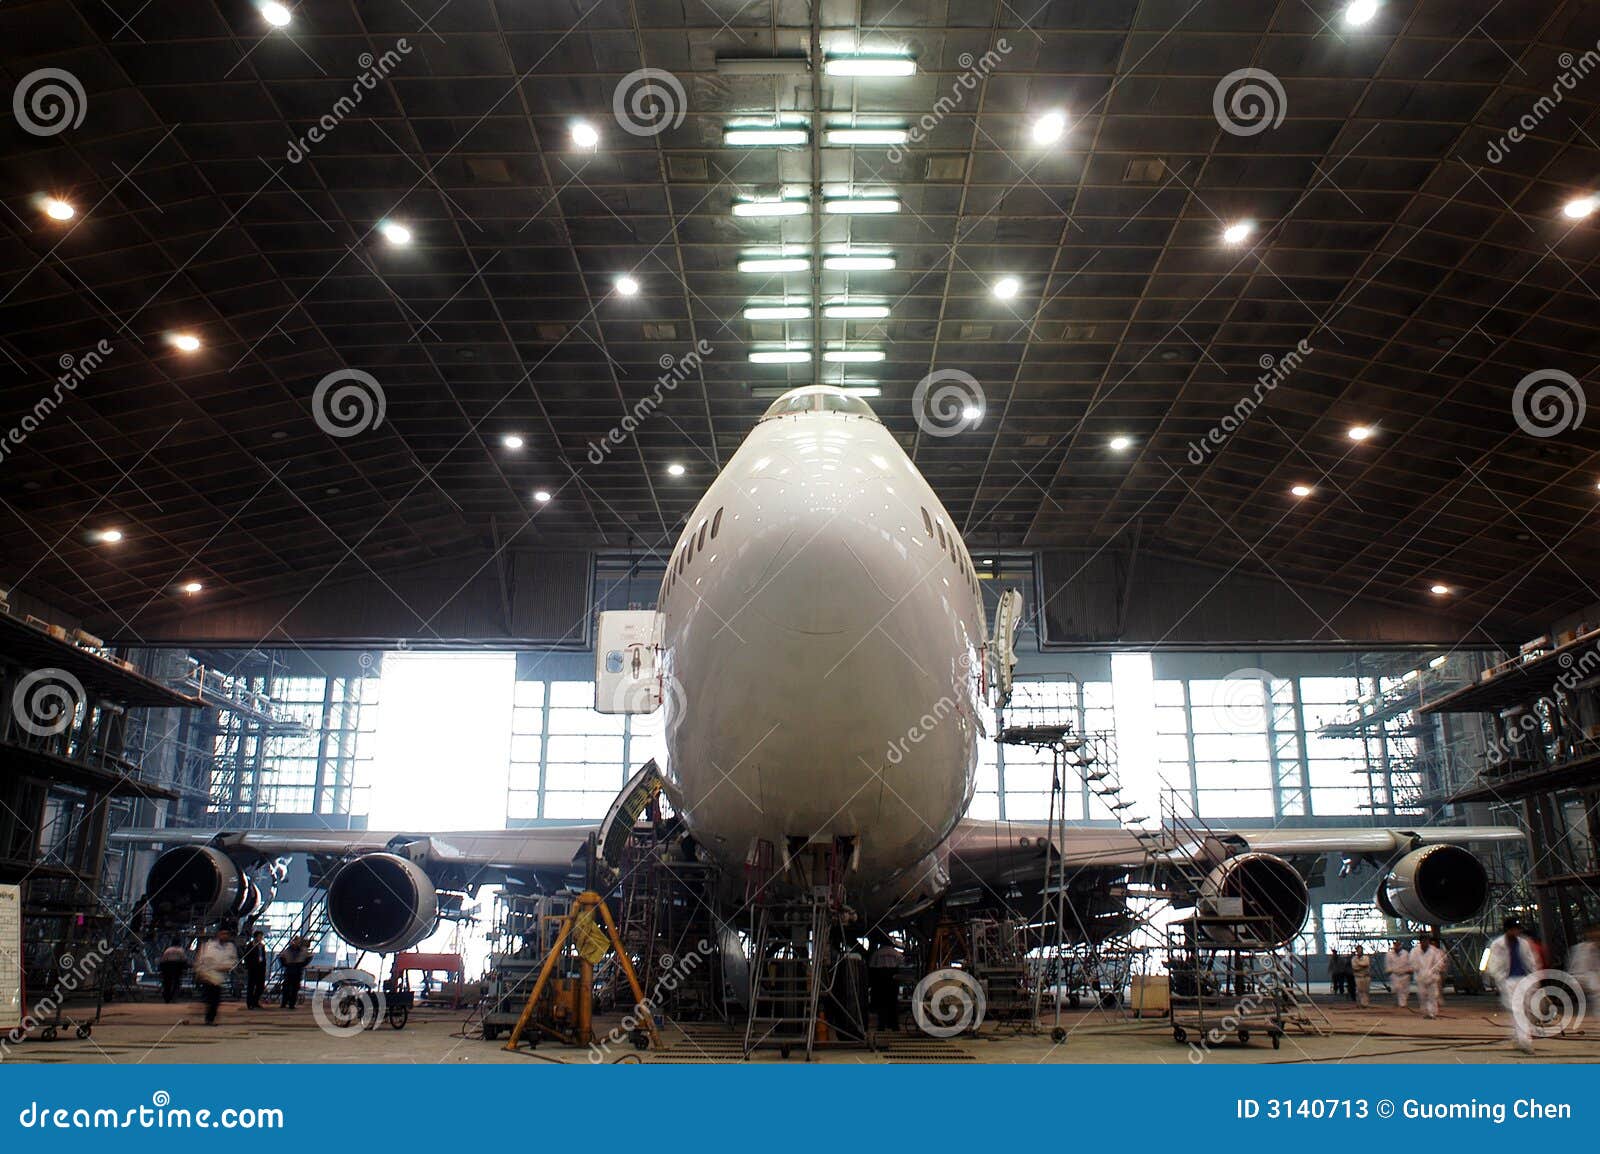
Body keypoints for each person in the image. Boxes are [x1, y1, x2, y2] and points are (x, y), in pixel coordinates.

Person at [1486, 917, 1542, 1053]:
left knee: (1526, 1011)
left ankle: (1518, 1038)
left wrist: (1535, 978)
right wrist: (1500, 980)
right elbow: (1493, 965)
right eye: (1514, 929)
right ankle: (1525, 1042)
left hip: (1524, 979)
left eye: (1518, 929)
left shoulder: (1524, 943)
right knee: (1518, 1011)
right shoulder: (1497, 944)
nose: (1516, 931)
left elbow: (1531, 961)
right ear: (1507, 930)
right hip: (1509, 981)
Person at [193, 926, 239, 1026]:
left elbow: (233, 961)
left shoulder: (230, 947)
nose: (225, 936)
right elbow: (201, 960)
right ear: (218, 935)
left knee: (215, 1000)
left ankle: (210, 1018)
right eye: (223, 933)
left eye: (226, 934)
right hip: (207, 976)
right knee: (211, 999)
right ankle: (209, 1018)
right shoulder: (208, 946)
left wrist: (226, 966)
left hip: (219, 978)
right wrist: (200, 972)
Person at [868, 936, 904, 1032]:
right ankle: (894, 1026)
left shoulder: (876, 954)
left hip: (880, 980)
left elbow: (871, 967)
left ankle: (881, 1026)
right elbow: (902, 966)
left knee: (882, 1003)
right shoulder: (896, 954)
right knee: (893, 1003)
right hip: (892, 980)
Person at [1411, 936, 1448, 1021]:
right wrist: (1420, 971)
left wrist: (1432, 971)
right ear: (1420, 942)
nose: (1425, 943)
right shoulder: (1414, 951)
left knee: (1433, 996)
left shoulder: (1435, 951)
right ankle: (1425, 1013)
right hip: (1420, 978)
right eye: (1423, 941)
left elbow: (1440, 963)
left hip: (1432, 978)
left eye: (1426, 941)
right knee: (1422, 996)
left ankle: (1432, 1013)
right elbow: (1412, 963)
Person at [278, 936, 313, 1009]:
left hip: (297, 970)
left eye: (298, 941)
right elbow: (281, 957)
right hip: (289, 970)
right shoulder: (288, 950)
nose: (296, 943)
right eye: (295, 941)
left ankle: (291, 1004)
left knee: (295, 988)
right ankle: (284, 1003)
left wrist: (302, 964)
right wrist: (285, 964)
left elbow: (309, 957)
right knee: (286, 988)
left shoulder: (302, 950)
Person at [241, 930, 268, 1010]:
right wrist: (249, 966)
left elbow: (263, 957)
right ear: (255, 937)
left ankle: (255, 1001)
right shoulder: (250, 946)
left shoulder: (262, 946)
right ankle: (250, 1003)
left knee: (260, 986)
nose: (261, 938)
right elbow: (246, 957)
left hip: (261, 968)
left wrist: (264, 966)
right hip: (253, 968)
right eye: (259, 936)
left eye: (261, 937)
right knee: (251, 986)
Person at [1386, 941, 1413, 1009]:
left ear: (1400, 945)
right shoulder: (1389, 954)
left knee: (1405, 991)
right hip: (1395, 974)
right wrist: (1389, 971)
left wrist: (1410, 970)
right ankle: (1401, 1003)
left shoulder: (1405, 953)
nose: (1397, 946)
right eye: (1395, 944)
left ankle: (1403, 1004)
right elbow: (1388, 964)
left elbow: (1409, 963)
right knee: (1397, 989)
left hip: (1405, 974)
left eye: (1398, 944)